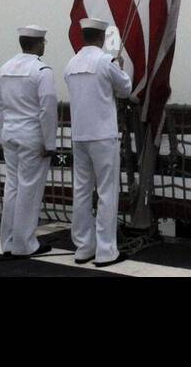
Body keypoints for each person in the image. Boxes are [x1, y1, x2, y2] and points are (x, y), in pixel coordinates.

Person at [65, 17, 133, 267]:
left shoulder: (71, 64)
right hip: (103, 135)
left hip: (79, 135)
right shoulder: (107, 61)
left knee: (81, 192)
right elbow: (125, 89)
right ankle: (106, 251)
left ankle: (84, 248)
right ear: (102, 37)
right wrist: (121, 67)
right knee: (106, 192)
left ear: (84, 36)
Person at [0, 25, 58, 257]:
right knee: (29, 190)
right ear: (39, 43)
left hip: (10, 134)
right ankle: (25, 243)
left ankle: (8, 242)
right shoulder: (42, 70)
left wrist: (1, 134)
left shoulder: (5, 68)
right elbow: (47, 108)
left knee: (12, 188)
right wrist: (50, 142)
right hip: (32, 137)